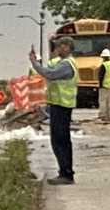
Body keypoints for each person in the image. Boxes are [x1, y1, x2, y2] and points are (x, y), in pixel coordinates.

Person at [29, 36, 79, 185]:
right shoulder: (62, 63)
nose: (58, 48)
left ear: (68, 47)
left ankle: (66, 173)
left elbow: (50, 74)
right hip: (59, 105)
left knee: (60, 141)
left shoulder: (66, 65)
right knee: (59, 140)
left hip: (62, 105)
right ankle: (65, 172)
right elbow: (51, 69)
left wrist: (34, 63)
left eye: (61, 46)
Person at [97, 48, 110, 121]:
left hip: (104, 85)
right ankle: (108, 115)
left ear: (103, 57)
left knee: (102, 101)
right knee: (108, 101)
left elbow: (101, 76)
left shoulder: (104, 65)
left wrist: (100, 84)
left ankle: (102, 115)